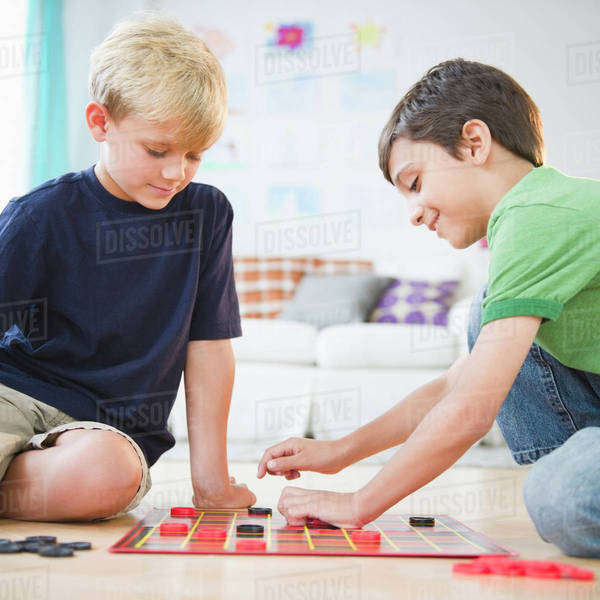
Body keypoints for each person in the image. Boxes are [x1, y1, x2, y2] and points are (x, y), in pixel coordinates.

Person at [257, 58, 600, 558]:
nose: (414, 213)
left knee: (562, 498)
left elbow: (472, 409)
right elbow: (458, 383)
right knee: (488, 314)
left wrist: (358, 505)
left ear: (474, 143)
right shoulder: (537, 218)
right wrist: (339, 452)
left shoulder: (538, 217)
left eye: (415, 183)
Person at [0, 13, 255, 521]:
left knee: (105, 477)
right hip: (13, 393)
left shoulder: (207, 215)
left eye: (194, 156)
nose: (175, 172)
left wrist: (212, 483)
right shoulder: (40, 214)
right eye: (156, 150)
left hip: (101, 437)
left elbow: (208, 347)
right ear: (101, 123)